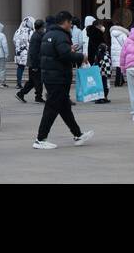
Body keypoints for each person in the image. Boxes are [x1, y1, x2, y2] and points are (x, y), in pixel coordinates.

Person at [34, 10, 94, 150]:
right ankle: (40, 139)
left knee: (64, 107)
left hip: (50, 76)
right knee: (52, 108)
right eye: (70, 22)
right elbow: (65, 55)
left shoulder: (48, 34)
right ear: (65, 22)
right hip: (58, 77)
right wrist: (81, 57)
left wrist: (69, 50)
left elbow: (54, 53)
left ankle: (77, 134)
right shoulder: (61, 35)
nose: (71, 25)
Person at [16, 18, 45, 103]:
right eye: (43, 27)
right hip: (35, 63)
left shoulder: (37, 35)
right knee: (38, 81)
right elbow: (34, 52)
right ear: (41, 27)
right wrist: (35, 65)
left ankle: (21, 94)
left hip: (34, 62)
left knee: (32, 81)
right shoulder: (37, 36)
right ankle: (38, 97)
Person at [85, 16, 110, 103]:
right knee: (102, 78)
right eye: (101, 25)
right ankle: (100, 97)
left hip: (93, 59)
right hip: (100, 59)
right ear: (98, 26)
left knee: (96, 78)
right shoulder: (98, 34)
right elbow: (101, 47)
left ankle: (99, 96)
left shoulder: (91, 34)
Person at [13, 16, 34, 90]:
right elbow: (32, 42)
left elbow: (14, 41)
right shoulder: (30, 32)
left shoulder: (18, 31)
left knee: (20, 68)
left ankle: (18, 83)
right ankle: (31, 83)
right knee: (31, 67)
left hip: (19, 52)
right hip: (28, 52)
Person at [109, 20, 129, 88]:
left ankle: (121, 80)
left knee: (118, 67)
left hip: (114, 52)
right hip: (121, 51)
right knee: (120, 68)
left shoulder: (112, 33)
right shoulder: (123, 33)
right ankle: (117, 82)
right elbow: (126, 43)